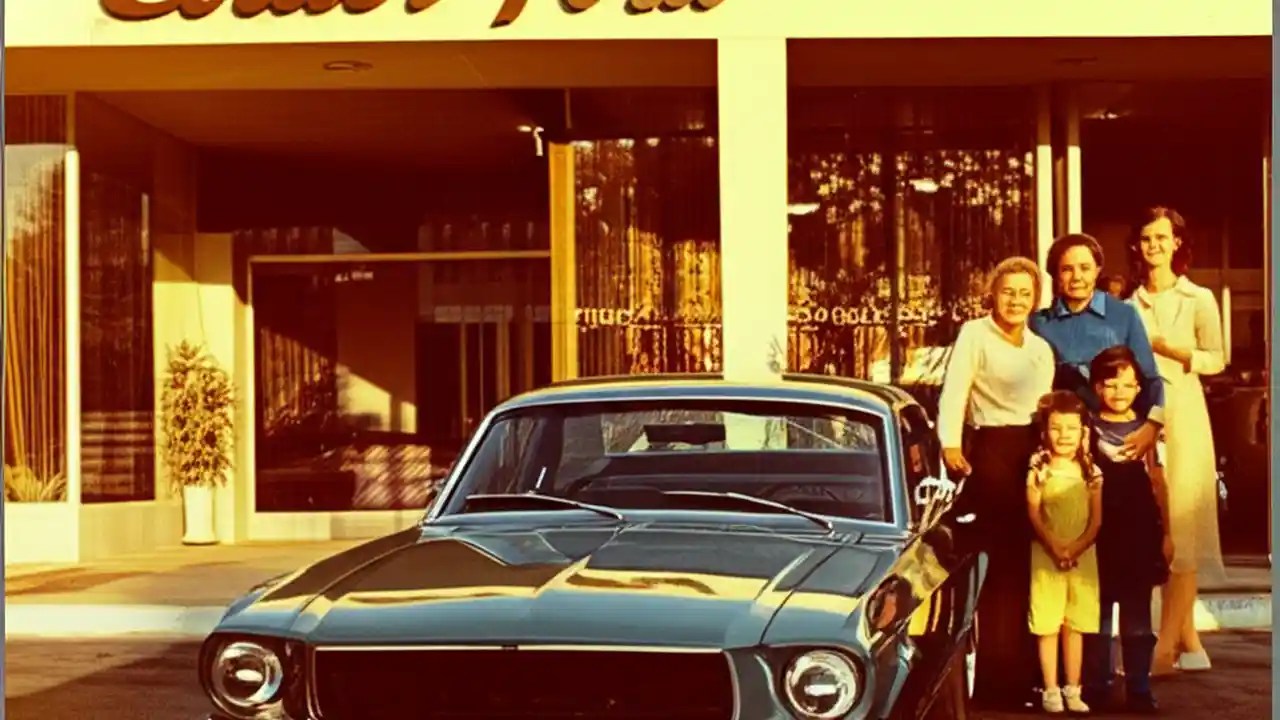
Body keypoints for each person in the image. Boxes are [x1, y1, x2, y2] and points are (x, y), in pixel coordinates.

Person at [1028, 232, 1166, 708]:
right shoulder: (1040, 324)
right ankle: (1092, 682)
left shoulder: (1124, 315)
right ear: (1054, 274)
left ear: (1098, 270)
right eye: (1066, 268)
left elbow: (1149, 379)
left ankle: (1140, 686)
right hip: (1074, 467)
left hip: (1126, 454)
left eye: (1085, 267)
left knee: (1132, 595)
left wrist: (1151, 427)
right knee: (1091, 591)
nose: (1076, 277)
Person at [936, 255, 1055, 709]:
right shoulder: (974, 334)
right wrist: (950, 444)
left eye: (1026, 293)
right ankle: (995, 683)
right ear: (994, 293)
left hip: (1032, 452)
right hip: (991, 453)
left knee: (1028, 567)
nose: (1016, 300)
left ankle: (1029, 680)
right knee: (999, 571)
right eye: (1009, 291)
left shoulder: (1040, 350)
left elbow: (1043, 409)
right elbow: (955, 391)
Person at [1127, 206, 1227, 675]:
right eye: (1147, 238)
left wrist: (1172, 350)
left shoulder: (1199, 298)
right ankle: (1189, 640)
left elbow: (1217, 358)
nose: (1154, 246)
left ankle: (1165, 648)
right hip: (1145, 416)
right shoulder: (1129, 304)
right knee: (1157, 526)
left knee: (1183, 527)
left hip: (1186, 415)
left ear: (1177, 243)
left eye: (1162, 237)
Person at [1087, 345, 1172, 713]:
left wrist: (1168, 533)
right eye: (1110, 384)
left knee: (1138, 620)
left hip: (1139, 534)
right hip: (1099, 533)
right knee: (1098, 617)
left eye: (1128, 384)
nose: (1119, 392)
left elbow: (1159, 483)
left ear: (1140, 388)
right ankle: (1097, 685)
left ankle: (1139, 686)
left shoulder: (1149, 432)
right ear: (1096, 387)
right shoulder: (1086, 429)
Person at [1026, 390, 1103, 715]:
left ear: (1083, 431)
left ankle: (1074, 688)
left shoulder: (1092, 472)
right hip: (1046, 557)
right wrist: (1055, 546)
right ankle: (1051, 688)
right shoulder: (1038, 471)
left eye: (1071, 428)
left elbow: (1097, 520)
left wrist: (1077, 547)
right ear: (1045, 431)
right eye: (1057, 428)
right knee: (1048, 622)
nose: (1064, 436)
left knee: (1075, 624)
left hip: (1082, 558)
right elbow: (1033, 513)